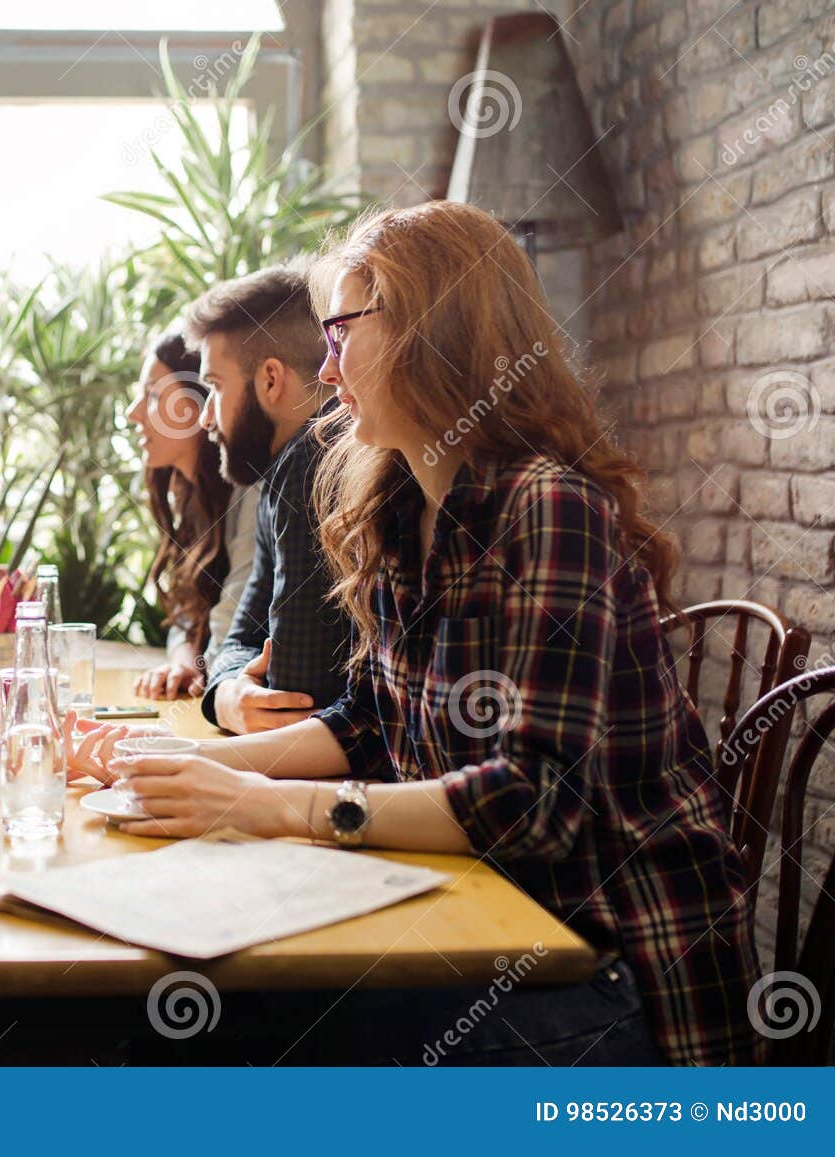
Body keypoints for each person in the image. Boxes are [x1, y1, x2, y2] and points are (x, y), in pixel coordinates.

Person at [85, 201, 759, 1066]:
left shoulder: (546, 508)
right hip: (479, 911)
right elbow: (366, 719)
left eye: (341, 336)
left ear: (429, 333)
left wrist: (270, 806)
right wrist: (181, 767)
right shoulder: (398, 506)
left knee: (220, 1031)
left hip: (611, 963)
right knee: (182, 1012)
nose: (325, 372)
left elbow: (532, 805)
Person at [187, 264, 353, 735]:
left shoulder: (311, 459)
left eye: (215, 387)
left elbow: (294, 694)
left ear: (271, 380)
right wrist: (226, 697)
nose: (204, 420)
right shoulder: (279, 472)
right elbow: (240, 638)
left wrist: (232, 695)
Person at [126, 333, 259, 701]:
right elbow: (188, 612)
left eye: (153, 396)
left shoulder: (250, 490)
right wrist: (185, 660)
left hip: (236, 692)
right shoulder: (187, 495)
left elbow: (237, 610)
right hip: (219, 689)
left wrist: (207, 673)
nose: (132, 413)